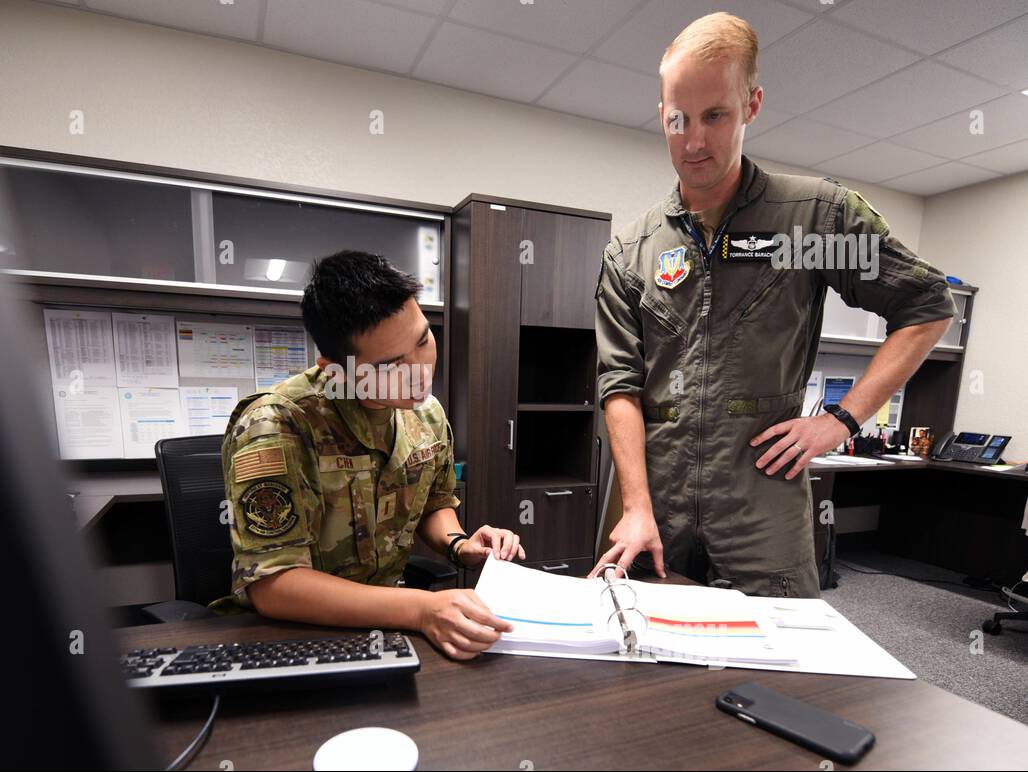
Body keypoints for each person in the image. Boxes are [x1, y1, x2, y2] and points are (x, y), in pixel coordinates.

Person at [593, 13, 956, 596]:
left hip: (761, 505)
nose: (694, 141)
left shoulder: (813, 219)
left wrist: (840, 421)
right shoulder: (631, 251)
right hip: (651, 500)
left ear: (752, 105)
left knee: (774, 664)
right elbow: (620, 386)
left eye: (716, 115)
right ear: (662, 113)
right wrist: (636, 504)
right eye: (679, 119)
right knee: (631, 654)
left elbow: (928, 306)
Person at [209, 250, 523, 660]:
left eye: (424, 339)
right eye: (391, 365)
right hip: (285, 638)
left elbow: (433, 503)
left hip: (387, 625)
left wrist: (460, 545)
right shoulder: (279, 425)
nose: (421, 371)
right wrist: (424, 608)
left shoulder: (425, 413)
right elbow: (275, 585)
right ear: (336, 371)